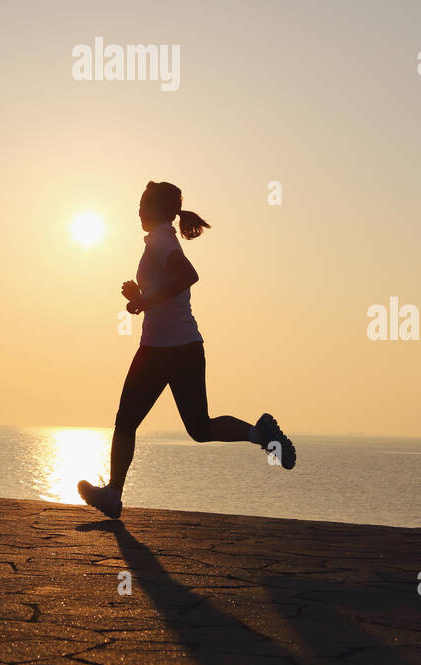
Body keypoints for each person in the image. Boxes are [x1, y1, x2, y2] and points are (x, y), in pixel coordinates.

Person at [77, 180, 296, 519]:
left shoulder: (162, 241)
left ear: (155, 210)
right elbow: (170, 288)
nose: (137, 210)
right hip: (186, 347)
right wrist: (140, 297)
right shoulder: (163, 240)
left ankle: (114, 495)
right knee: (199, 428)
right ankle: (261, 435)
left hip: (159, 350)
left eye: (142, 204)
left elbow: (187, 276)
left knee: (125, 422)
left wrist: (143, 300)